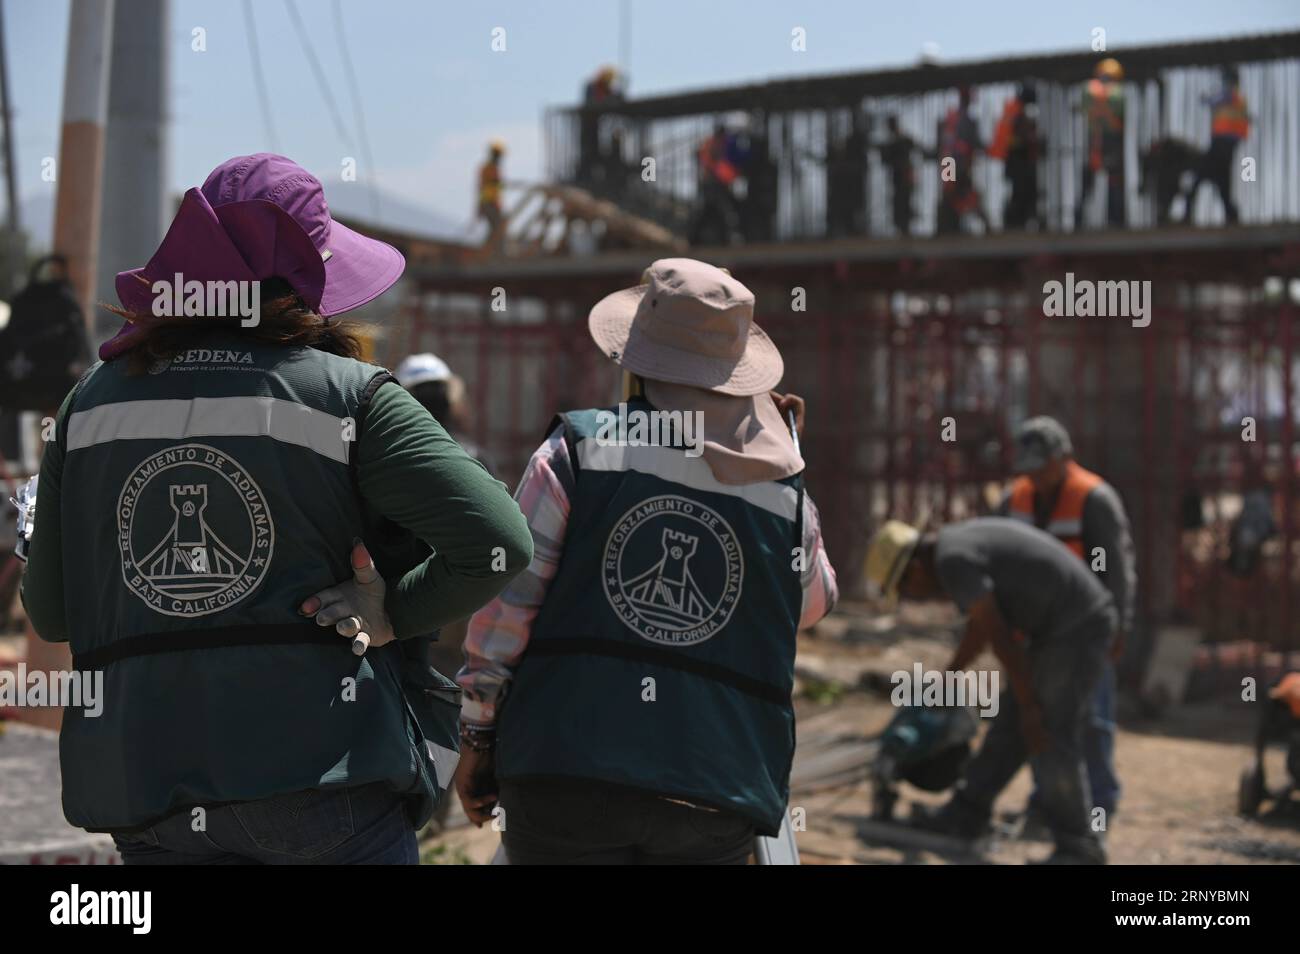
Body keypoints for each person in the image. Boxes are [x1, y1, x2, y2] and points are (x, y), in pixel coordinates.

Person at [20, 153, 533, 864]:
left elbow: (50, 613)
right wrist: (394, 613)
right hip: (322, 782)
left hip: (148, 792)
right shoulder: (351, 395)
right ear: (303, 280)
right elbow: (500, 540)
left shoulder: (90, 404)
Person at [452, 258, 839, 864]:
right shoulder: (783, 496)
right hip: (716, 791)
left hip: (567, 774)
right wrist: (788, 455)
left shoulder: (578, 451)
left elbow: (508, 608)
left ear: (635, 360)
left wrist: (477, 734)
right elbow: (810, 605)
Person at [865, 517, 1116, 864]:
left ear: (915, 567)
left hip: (1075, 629)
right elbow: (980, 627)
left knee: (1046, 733)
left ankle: (1080, 848)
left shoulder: (953, 560)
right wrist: (947, 677)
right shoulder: (954, 548)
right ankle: (966, 814)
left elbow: (998, 636)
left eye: (907, 589)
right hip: (1056, 632)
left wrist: (1029, 706)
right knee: (1009, 729)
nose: (914, 598)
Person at [1000, 416, 1135, 825]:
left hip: (1084, 633)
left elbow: (1118, 569)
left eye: (1043, 467)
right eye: (1030, 469)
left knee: (1091, 720)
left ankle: (1098, 803)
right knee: (1039, 719)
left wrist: (1119, 626)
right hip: (1034, 633)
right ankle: (1050, 801)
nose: (1036, 478)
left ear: (1064, 458)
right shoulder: (1015, 498)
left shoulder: (1094, 498)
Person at [1183, 65, 1249, 225]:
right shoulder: (1239, 98)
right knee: (1222, 182)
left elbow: (1211, 101)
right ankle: (1231, 215)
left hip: (1222, 145)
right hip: (1228, 146)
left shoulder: (1231, 95)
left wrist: (1205, 97)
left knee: (1200, 175)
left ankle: (1188, 214)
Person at [1076, 58, 1126, 229]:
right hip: (1112, 139)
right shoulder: (1119, 92)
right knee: (1114, 181)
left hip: (1094, 139)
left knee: (1088, 181)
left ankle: (1078, 218)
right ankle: (1115, 219)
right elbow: (1122, 114)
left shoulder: (1088, 89)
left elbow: (1082, 109)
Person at [934, 87, 990, 235]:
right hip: (958, 164)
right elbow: (974, 143)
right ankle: (984, 223)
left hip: (947, 162)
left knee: (949, 193)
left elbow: (941, 142)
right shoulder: (967, 121)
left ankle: (944, 227)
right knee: (966, 191)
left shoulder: (950, 119)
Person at [988, 83, 1043, 230]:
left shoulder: (1012, 108)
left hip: (1012, 159)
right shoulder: (1017, 112)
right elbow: (1020, 136)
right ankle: (1016, 222)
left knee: (1020, 192)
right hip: (1017, 159)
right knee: (1023, 192)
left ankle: (1016, 221)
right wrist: (1032, 138)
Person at [879, 115, 921, 237]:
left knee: (902, 202)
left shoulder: (899, 140)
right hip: (901, 177)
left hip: (903, 176)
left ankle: (904, 228)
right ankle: (903, 228)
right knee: (901, 202)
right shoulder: (899, 140)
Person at [477, 140, 507, 252]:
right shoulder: (489, 168)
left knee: (497, 229)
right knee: (497, 229)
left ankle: (490, 252)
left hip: (493, 203)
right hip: (489, 203)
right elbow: (482, 187)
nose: (499, 158)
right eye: (498, 155)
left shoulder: (492, 168)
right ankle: (489, 252)